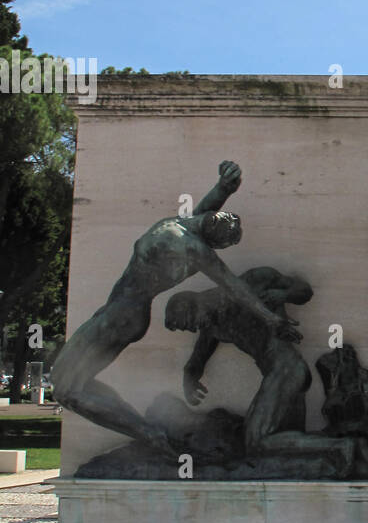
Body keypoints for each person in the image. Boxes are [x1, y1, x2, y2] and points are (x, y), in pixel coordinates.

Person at [53, 162, 299, 456]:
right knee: (70, 385)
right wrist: (223, 188)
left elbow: (235, 288)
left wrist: (271, 319)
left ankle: (149, 433)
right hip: (118, 313)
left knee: (68, 389)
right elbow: (206, 218)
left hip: (123, 316)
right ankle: (148, 431)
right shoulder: (186, 229)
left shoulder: (191, 245)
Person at [165, 267, 314, 456]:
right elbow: (197, 359)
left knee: (255, 441)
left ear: (194, 303)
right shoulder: (213, 326)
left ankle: (344, 446)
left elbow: (305, 290)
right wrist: (189, 377)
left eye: (191, 322)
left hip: (286, 370)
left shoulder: (252, 282)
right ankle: (340, 450)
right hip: (279, 377)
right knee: (288, 452)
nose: (196, 329)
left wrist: (283, 294)